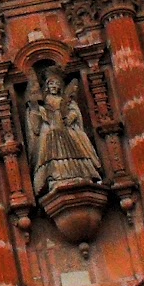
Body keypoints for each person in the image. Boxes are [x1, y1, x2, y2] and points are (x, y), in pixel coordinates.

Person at [26, 67, 102, 195]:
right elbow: (35, 124)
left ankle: (79, 174)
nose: (54, 86)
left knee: (76, 145)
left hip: (66, 128)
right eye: (51, 83)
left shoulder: (65, 100)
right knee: (51, 150)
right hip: (51, 130)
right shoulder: (44, 101)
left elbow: (74, 110)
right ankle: (55, 177)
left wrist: (71, 115)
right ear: (46, 86)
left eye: (56, 83)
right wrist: (37, 110)